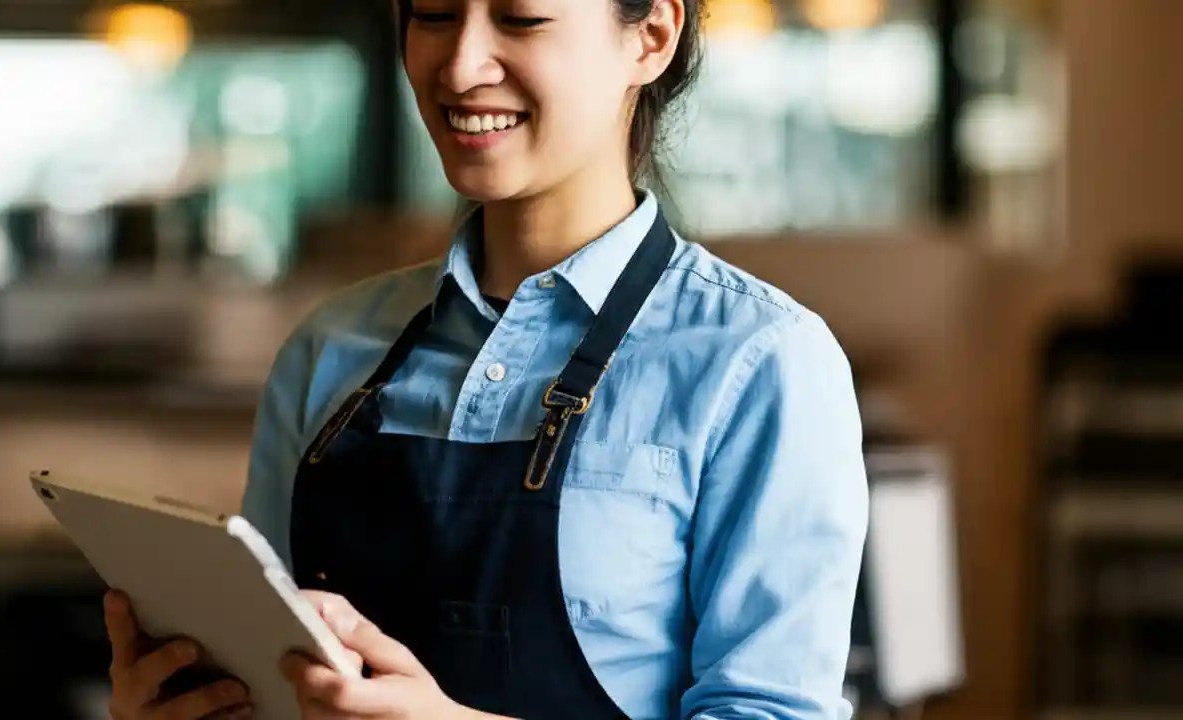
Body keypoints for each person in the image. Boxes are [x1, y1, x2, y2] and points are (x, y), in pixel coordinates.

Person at [102, 0, 870, 718]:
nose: (461, 65)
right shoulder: (327, 348)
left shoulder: (760, 363)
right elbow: (268, 672)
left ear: (652, 36)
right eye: (432, 14)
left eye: (521, 18)